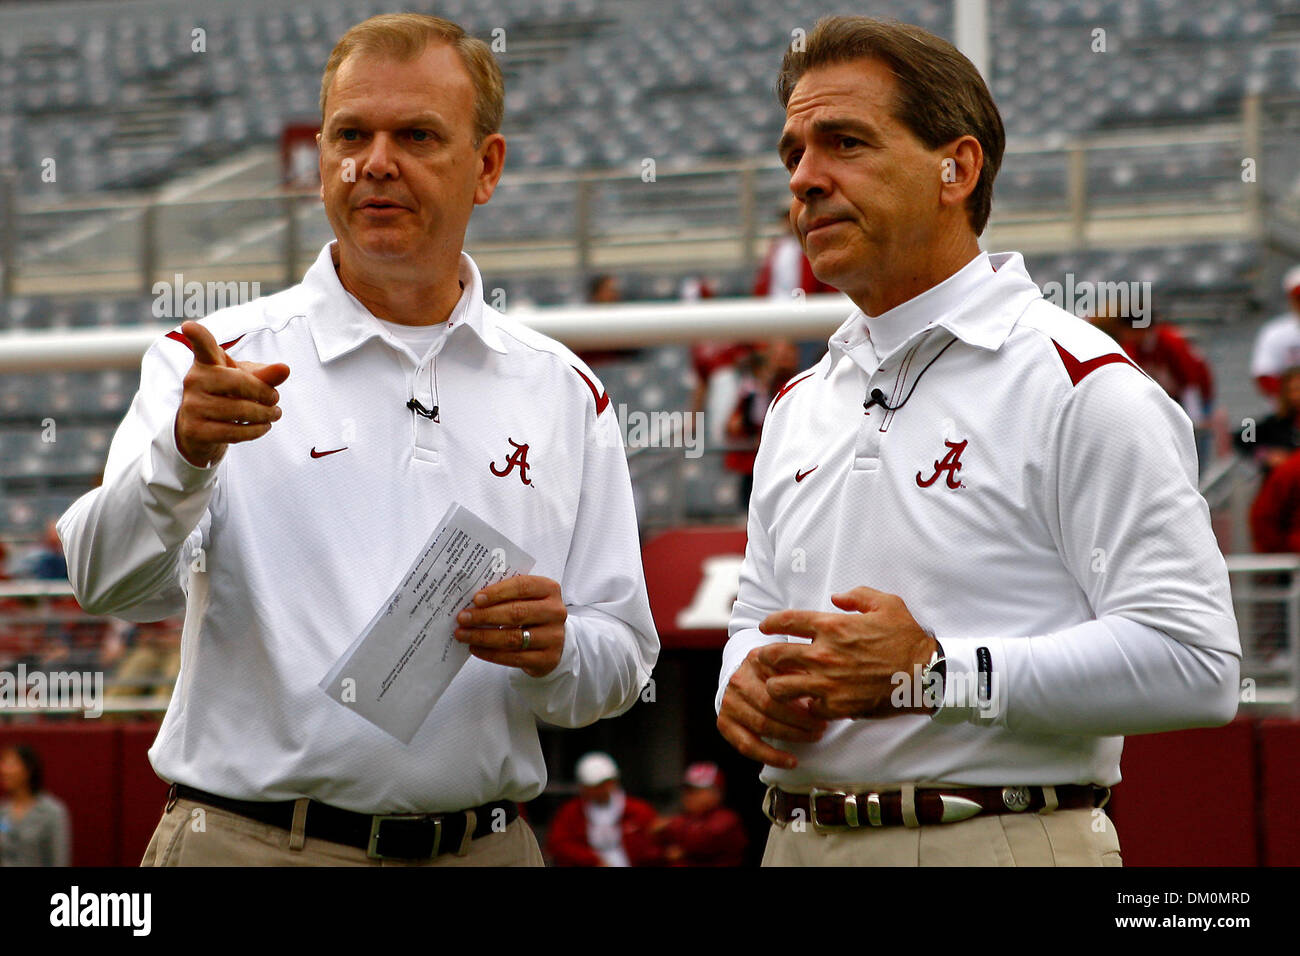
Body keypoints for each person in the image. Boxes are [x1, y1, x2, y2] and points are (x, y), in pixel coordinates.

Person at [56, 13, 658, 867]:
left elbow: (626, 655)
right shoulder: (215, 359)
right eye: (350, 134)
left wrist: (557, 648)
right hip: (250, 846)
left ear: (487, 167)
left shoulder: (564, 390)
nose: (375, 162)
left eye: (416, 134)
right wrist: (180, 457)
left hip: (488, 848)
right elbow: (104, 583)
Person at [715, 16, 1240, 867]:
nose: (805, 180)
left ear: (956, 167)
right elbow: (753, 618)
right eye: (794, 155)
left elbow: (1199, 663)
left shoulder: (1080, 383)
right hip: (793, 840)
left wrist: (935, 671)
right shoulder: (797, 402)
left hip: (995, 839)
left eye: (844, 142)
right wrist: (739, 686)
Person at [545, 752, 661, 867]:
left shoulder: (638, 810)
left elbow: (654, 845)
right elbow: (558, 844)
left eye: (603, 784)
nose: (599, 790)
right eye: (593, 787)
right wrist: (592, 860)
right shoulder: (571, 812)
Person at [654, 761, 747, 866]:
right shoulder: (685, 817)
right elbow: (654, 841)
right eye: (687, 791)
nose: (688, 796)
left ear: (716, 793)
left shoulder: (727, 819)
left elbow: (702, 840)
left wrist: (670, 826)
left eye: (696, 791)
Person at [0, 744, 71, 866]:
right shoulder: (2, 811)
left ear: (28, 769)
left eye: (11, 764)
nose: (4, 770)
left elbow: (59, 860)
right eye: (3, 764)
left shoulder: (52, 812)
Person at [752, 209, 836, 299]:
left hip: (806, 303)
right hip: (777, 302)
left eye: (789, 218)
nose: (789, 223)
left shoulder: (815, 245)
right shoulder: (777, 247)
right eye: (786, 219)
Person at [1235, 365, 1300, 477]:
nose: (1296, 395)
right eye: (1291, 390)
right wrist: (1264, 454)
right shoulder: (1276, 423)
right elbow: (1243, 437)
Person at [1250, 266, 1300, 397]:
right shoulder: (1275, 333)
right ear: (1291, 299)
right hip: (1288, 412)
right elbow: (1264, 375)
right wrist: (1291, 397)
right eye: (1298, 298)